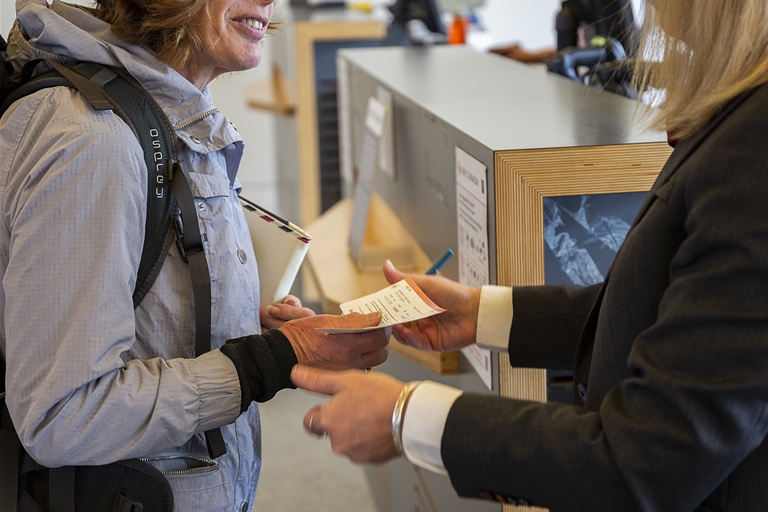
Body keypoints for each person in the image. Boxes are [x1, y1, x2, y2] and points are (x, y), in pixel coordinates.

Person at [291, 1, 768, 510]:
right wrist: (482, 312)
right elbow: (676, 310)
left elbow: (649, 458)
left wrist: (407, 417)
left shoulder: (753, 147)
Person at [0, 0, 389, 510]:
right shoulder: (96, 140)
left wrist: (238, 322)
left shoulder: (152, 105)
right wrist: (268, 360)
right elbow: (63, 414)